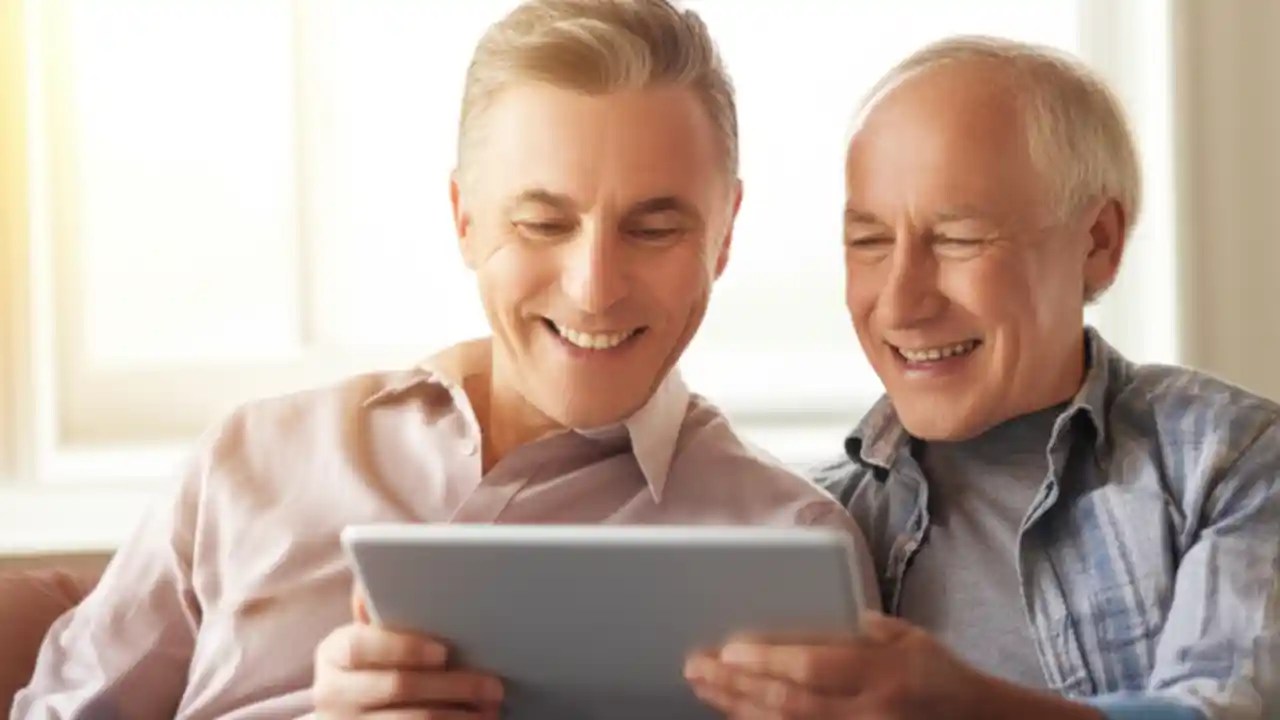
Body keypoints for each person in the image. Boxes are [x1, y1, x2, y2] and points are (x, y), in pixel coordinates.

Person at [13, 2, 877, 717]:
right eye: (542, 224)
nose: (593, 287)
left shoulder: (790, 552)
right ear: (464, 219)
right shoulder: (254, 460)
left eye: (653, 229)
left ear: (724, 236)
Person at [685, 36, 1280, 720]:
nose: (903, 302)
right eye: (870, 242)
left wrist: (969, 708)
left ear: (1098, 243)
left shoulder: (1230, 460)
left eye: (959, 239)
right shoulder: (814, 527)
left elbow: (1231, 708)